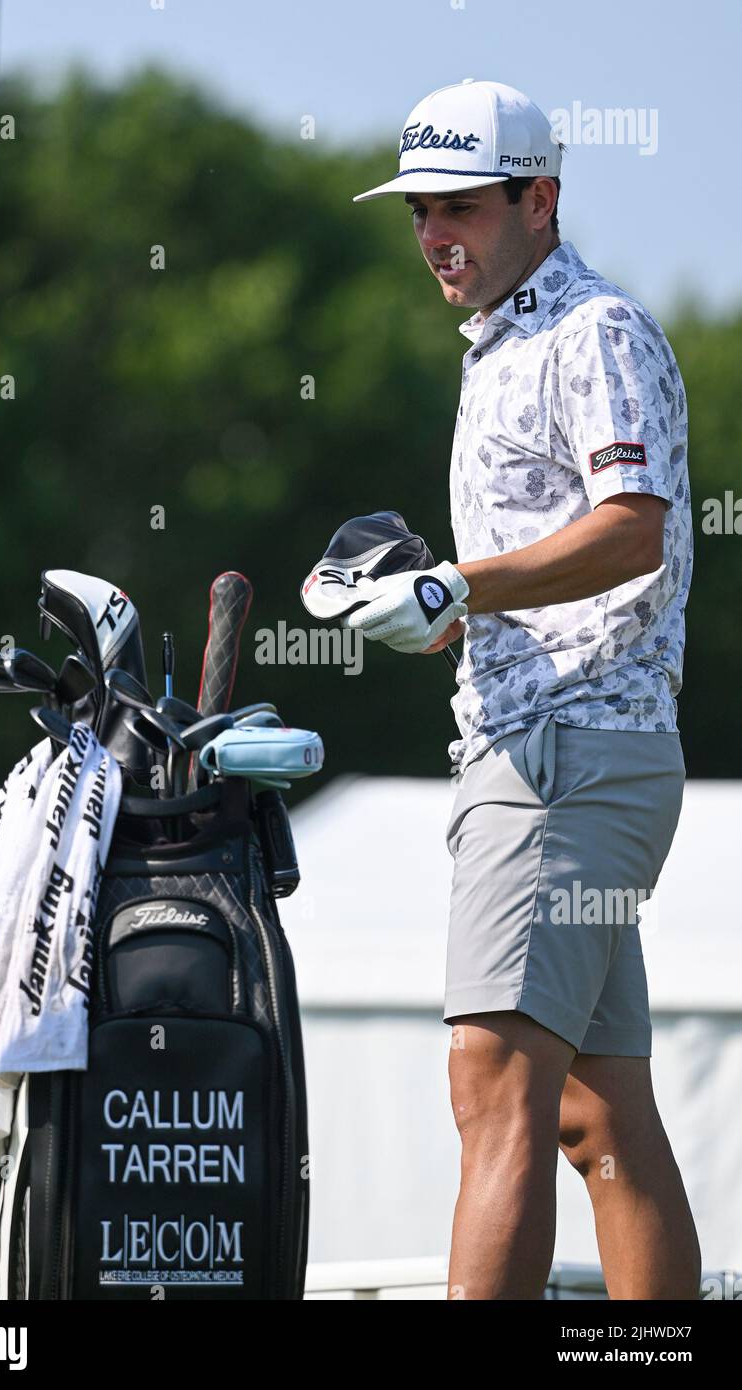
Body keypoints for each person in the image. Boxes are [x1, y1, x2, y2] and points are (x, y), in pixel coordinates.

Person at [348, 79, 700, 1300]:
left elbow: (631, 529)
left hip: (564, 759)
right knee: (597, 1120)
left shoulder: (585, 330)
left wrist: (457, 588)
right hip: (566, 752)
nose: (433, 235)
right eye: (416, 212)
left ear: (537, 198)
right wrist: (444, 607)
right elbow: (565, 557)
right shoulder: (505, 341)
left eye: (458, 206)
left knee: (490, 1085)